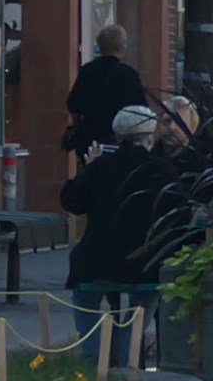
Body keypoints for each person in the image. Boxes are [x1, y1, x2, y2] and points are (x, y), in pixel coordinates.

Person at [69, 107, 175, 312]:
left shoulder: (100, 167)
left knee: (85, 301)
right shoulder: (163, 170)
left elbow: (73, 203)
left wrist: (88, 168)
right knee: (143, 303)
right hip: (145, 263)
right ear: (151, 136)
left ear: (118, 135)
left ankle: (95, 343)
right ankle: (130, 341)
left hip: (96, 260)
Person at [62, 20, 150, 170]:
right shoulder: (129, 75)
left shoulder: (87, 71)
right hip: (118, 142)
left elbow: (73, 104)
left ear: (100, 46)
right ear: (122, 47)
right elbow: (140, 111)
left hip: (89, 140)